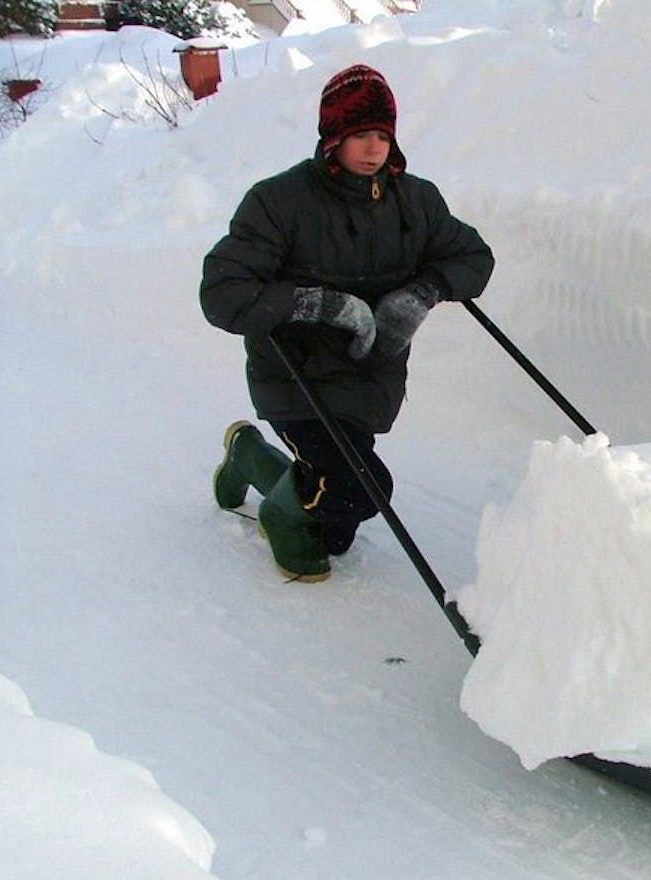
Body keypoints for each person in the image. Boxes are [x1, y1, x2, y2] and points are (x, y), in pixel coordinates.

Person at [200, 64, 494, 582]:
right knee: (357, 488)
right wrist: (318, 305)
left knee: (337, 521)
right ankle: (277, 511)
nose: (374, 148)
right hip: (296, 376)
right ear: (333, 135)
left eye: (382, 135)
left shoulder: (415, 200)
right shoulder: (279, 202)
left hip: (370, 376)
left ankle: (248, 456)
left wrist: (422, 293)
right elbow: (224, 294)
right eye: (361, 134)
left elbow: (471, 257)